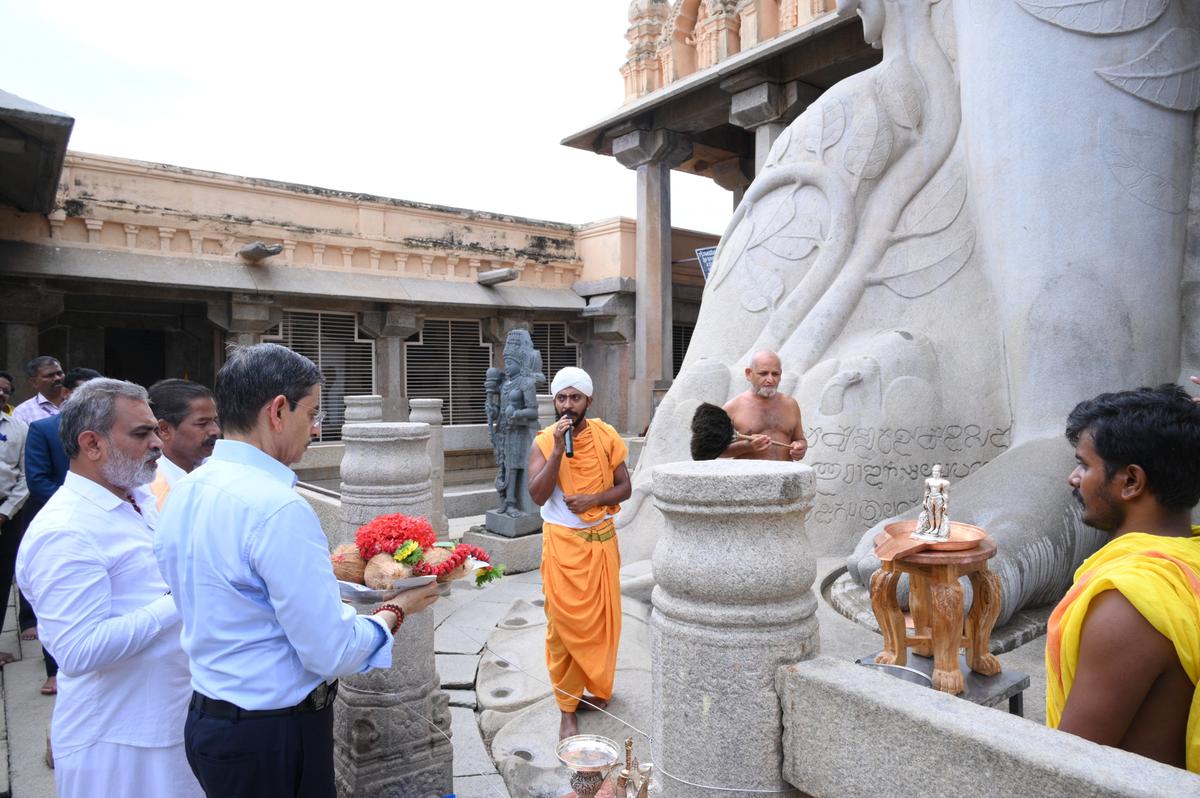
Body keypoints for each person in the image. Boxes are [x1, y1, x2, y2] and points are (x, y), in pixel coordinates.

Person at [154, 342, 440, 798]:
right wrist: (395, 610)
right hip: (272, 736)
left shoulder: (185, 490)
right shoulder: (277, 508)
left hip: (210, 719)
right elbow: (330, 652)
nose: (316, 428)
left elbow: (234, 600)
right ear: (278, 411)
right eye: (312, 413)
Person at [14, 378, 202, 798]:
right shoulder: (65, 531)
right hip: (119, 743)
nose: (157, 442)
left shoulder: (139, 498)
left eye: (155, 430)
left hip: (167, 722)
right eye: (141, 433)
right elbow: (78, 650)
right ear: (92, 444)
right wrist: (179, 600)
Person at [1046, 384, 1200, 772]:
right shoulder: (1189, 561)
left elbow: (1063, 769)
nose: (1073, 478)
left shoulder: (1129, 604)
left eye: (1084, 464)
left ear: (1130, 481)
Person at [527, 366, 631, 741]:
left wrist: (594, 499)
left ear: (589, 400)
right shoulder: (543, 441)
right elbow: (537, 495)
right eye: (561, 398)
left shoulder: (606, 437)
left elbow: (625, 488)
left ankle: (596, 689)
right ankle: (567, 708)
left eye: (575, 397)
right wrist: (557, 449)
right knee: (563, 630)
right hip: (563, 548)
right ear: (554, 402)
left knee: (603, 625)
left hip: (602, 545)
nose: (568, 405)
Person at [22, 367, 102, 696]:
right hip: (64, 514)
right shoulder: (43, 429)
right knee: (59, 604)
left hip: (102, 516)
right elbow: (38, 479)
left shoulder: (106, 432)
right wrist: (81, 502)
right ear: (68, 395)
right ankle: (53, 670)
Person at [720, 350, 808, 461]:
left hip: (786, 476)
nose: (770, 380)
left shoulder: (790, 404)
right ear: (748, 374)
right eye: (763, 373)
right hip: (749, 477)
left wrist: (800, 448)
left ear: (780, 375)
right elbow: (717, 450)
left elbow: (800, 439)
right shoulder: (732, 408)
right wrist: (746, 446)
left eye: (775, 374)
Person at [146, 379, 220, 510]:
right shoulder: (145, 486)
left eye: (215, 421)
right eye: (202, 423)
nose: (215, 431)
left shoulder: (220, 469)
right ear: (164, 429)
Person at [0, 377, 29, 665]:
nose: (0, 393)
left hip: (6, 514)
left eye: (6, 391)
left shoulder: (19, 429)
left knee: (2, 579)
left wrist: (6, 511)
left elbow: (24, 475)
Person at [12, 356, 66, 426]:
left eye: (59, 373)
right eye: (50, 375)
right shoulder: (23, 412)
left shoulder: (78, 402)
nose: (57, 378)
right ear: (34, 382)